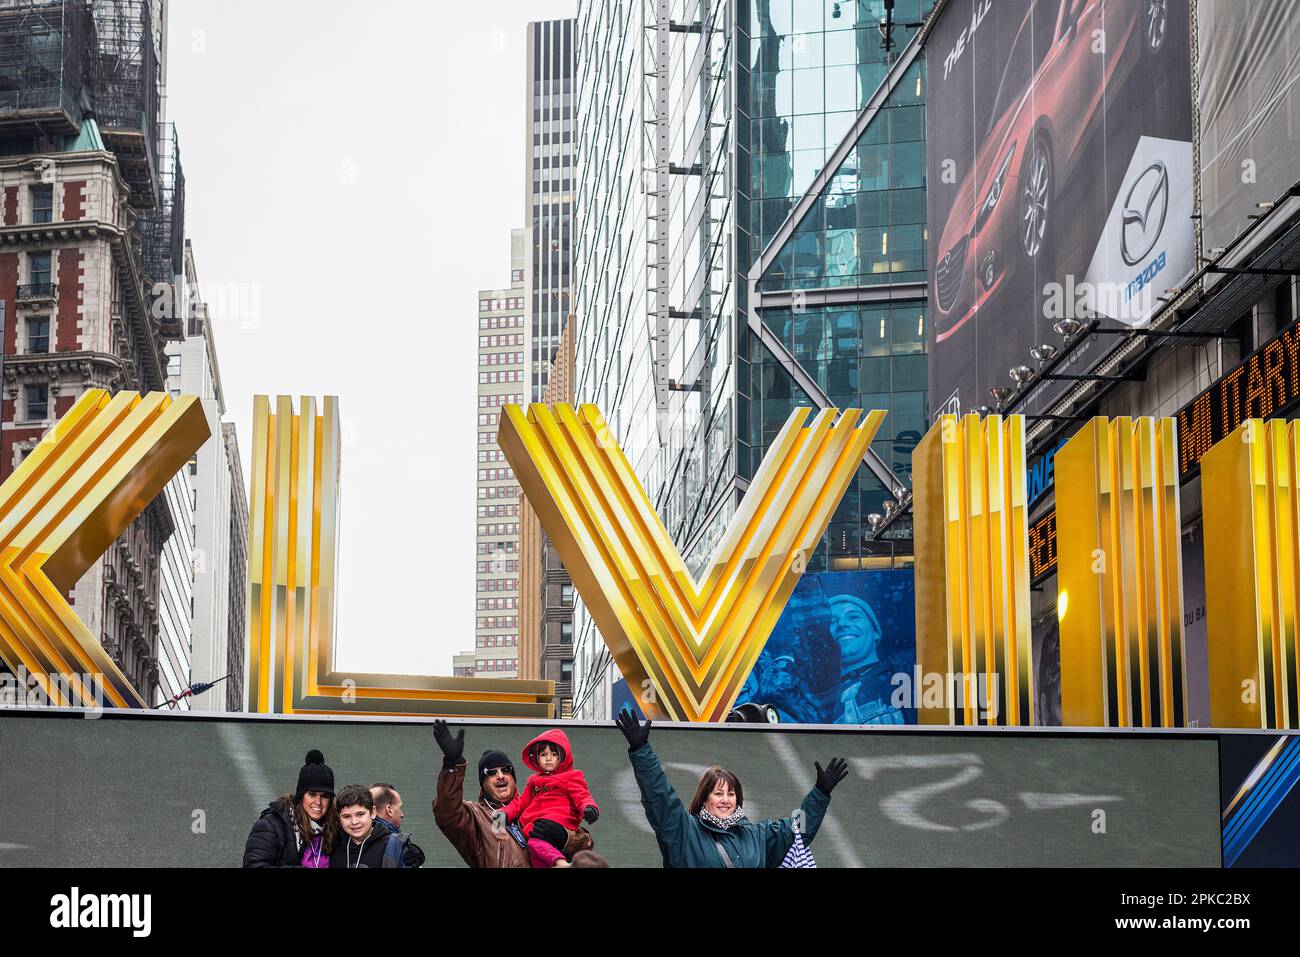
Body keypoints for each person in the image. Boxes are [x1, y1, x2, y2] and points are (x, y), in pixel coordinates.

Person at [615, 709, 849, 868]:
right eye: (718, 793)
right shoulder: (683, 831)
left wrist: (820, 793)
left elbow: (801, 829)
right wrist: (641, 749)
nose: (726, 799)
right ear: (704, 799)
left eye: (731, 793)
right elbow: (659, 796)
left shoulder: (758, 835)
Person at [431, 719, 531, 868]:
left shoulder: (534, 805)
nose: (500, 776)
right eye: (491, 773)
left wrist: (568, 836)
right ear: (483, 785)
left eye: (505, 770)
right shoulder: (475, 815)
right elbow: (447, 812)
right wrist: (452, 765)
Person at [495, 729, 599, 868]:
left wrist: (590, 808)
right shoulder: (533, 781)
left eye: (554, 754)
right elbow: (520, 803)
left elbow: (582, 795)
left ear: (562, 757)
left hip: (559, 825)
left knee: (535, 844)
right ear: (537, 758)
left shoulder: (571, 776)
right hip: (538, 829)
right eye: (543, 754)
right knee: (534, 850)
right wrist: (504, 813)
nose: (548, 758)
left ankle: (562, 864)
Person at [242, 749, 339, 868]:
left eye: (324, 796)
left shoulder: (337, 825)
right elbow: (253, 865)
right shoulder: (272, 825)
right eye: (312, 794)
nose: (318, 802)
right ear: (301, 795)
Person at [830, 593, 905, 724]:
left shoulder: (904, 672)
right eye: (831, 621)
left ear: (875, 631)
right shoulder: (818, 702)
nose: (842, 624)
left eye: (853, 617)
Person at [330, 784, 407, 868]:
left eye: (360, 814)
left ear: (373, 812)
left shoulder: (396, 847)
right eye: (347, 816)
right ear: (339, 817)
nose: (354, 822)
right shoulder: (332, 844)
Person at [370, 783, 426, 868]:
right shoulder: (397, 845)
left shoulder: (348, 841)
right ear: (389, 810)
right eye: (399, 807)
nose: (402, 814)